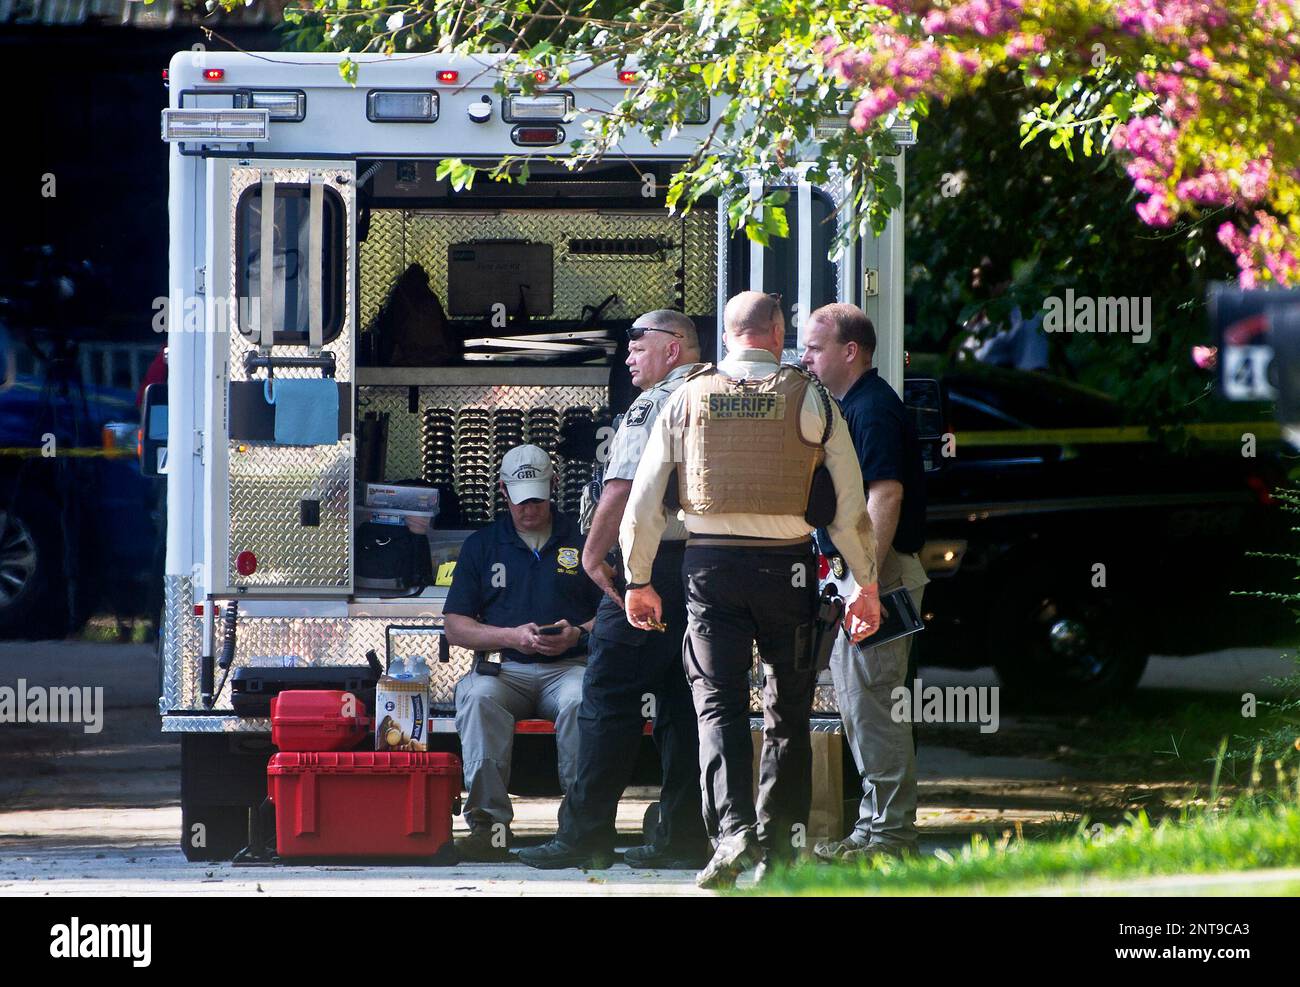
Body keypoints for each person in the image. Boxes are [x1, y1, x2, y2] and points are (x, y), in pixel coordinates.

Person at [619, 290, 882, 889]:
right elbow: (849, 511)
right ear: (778, 333)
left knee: (717, 704)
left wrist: (637, 581)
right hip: (787, 571)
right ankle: (778, 847)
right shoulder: (813, 398)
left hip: (709, 569)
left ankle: (731, 831)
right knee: (788, 709)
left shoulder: (686, 397)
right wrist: (864, 584)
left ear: (728, 337)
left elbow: (643, 503)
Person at [519, 310, 709, 870]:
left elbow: (621, 488)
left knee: (606, 702)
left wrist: (594, 556)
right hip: (705, 567)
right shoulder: (720, 394)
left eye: (638, 346)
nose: (627, 357)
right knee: (683, 705)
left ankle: (585, 836)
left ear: (673, 349)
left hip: (647, 567)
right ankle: (681, 838)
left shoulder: (652, 405)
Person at [800, 303, 929, 861]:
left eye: (815, 348)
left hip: (882, 574)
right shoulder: (853, 404)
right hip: (864, 574)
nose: (806, 357)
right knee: (859, 706)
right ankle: (873, 829)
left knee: (873, 705)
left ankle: (892, 837)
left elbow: (886, 495)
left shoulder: (872, 409)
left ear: (849, 351)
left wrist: (864, 584)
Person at [443, 444, 601, 862]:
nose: (528, 508)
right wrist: (510, 636)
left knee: (584, 699)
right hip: (503, 668)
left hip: (568, 666)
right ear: (502, 492)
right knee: (476, 699)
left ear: (553, 486)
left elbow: (617, 609)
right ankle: (487, 828)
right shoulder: (482, 545)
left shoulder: (584, 539)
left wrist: (577, 634)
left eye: (536, 497)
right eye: (519, 499)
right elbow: (455, 626)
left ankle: (578, 826)